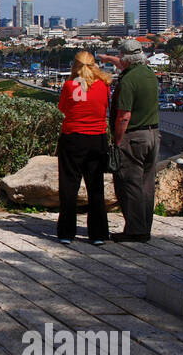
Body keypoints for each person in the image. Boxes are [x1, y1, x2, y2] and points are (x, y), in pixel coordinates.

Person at [99, 39, 160, 242]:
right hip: (153, 135)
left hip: (133, 137)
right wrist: (108, 59)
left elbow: (123, 116)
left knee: (129, 183)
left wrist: (117, 141)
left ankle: (135, 230)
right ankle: (144, 226)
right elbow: (124, 61)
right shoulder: (148, 74)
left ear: (126, 59)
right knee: (146, 184)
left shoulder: (127, 81)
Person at [55, 51, 111, 244]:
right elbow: (104, 108)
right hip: (96, 139)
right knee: (95, 187)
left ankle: (66, 233)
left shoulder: (70, 85)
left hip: (73, 138)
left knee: (69, 187)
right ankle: (98, 234)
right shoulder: (103, 86)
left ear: (75, 65)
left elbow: (62, 109)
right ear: (94, 65)